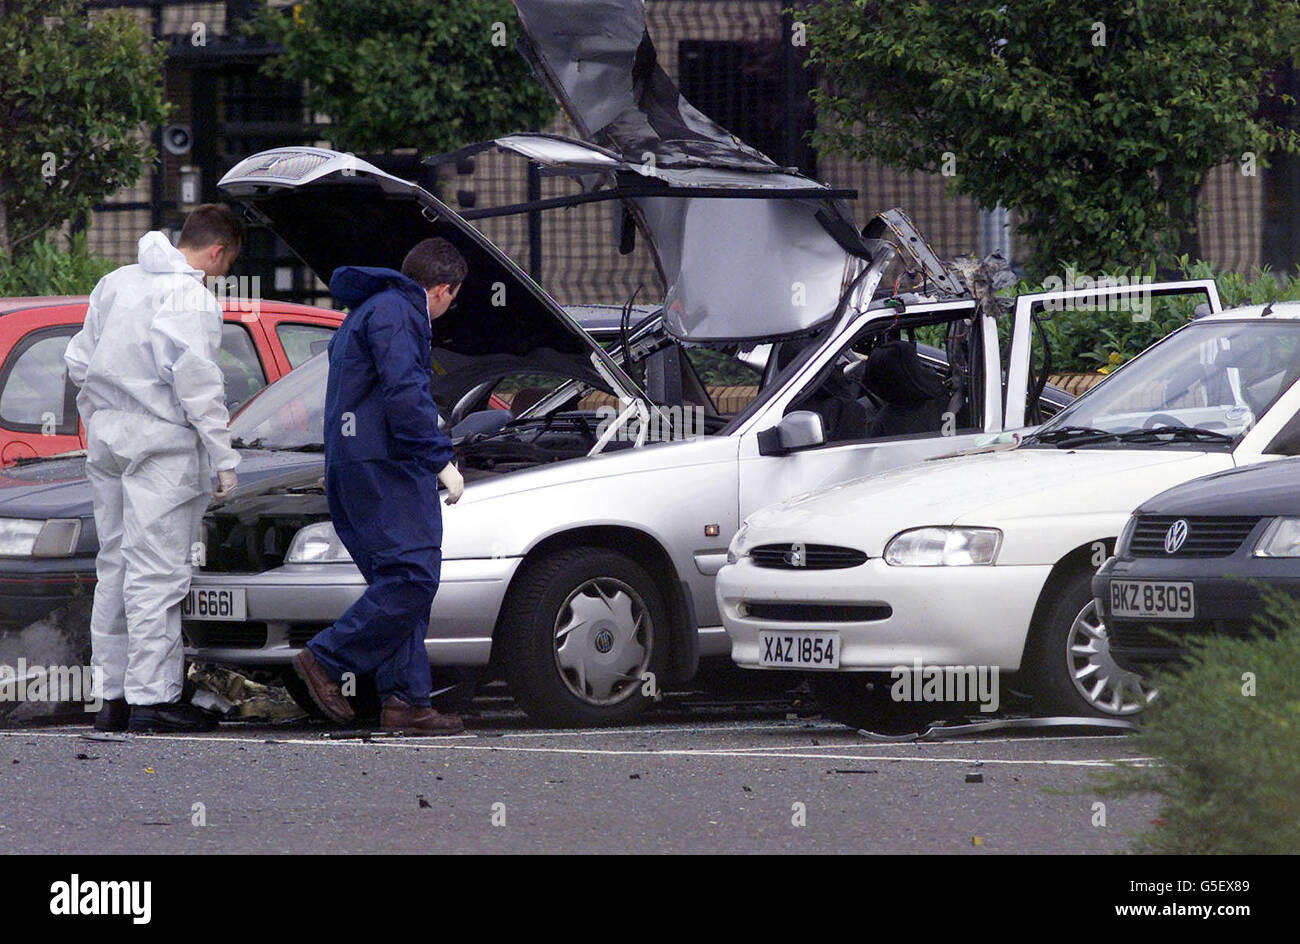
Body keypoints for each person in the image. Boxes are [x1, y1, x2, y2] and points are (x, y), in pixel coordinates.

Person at [65, 204, 243, 733]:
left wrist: (98, 418)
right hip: (161, 447)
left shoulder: (116, 283)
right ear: (217, 251)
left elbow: (78, 361)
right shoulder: (191, 299)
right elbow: (199, 388)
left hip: (110, 441)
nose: (225, 273)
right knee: (158, 574)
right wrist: (224, 457)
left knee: (115, 567)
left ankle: (111, 697)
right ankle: (153, 698)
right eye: (229, 263)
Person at [293, 237, 467, 733]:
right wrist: (440, 459)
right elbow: (404, 391)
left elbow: (375, 390)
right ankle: (327, 659)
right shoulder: (400, 312)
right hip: (386, 468)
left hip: (351, 464)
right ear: (441, 289)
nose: (447, 309)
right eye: (452, 299)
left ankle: (406, 700)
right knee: (414, 579)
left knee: (398, 583)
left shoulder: (367, 310)